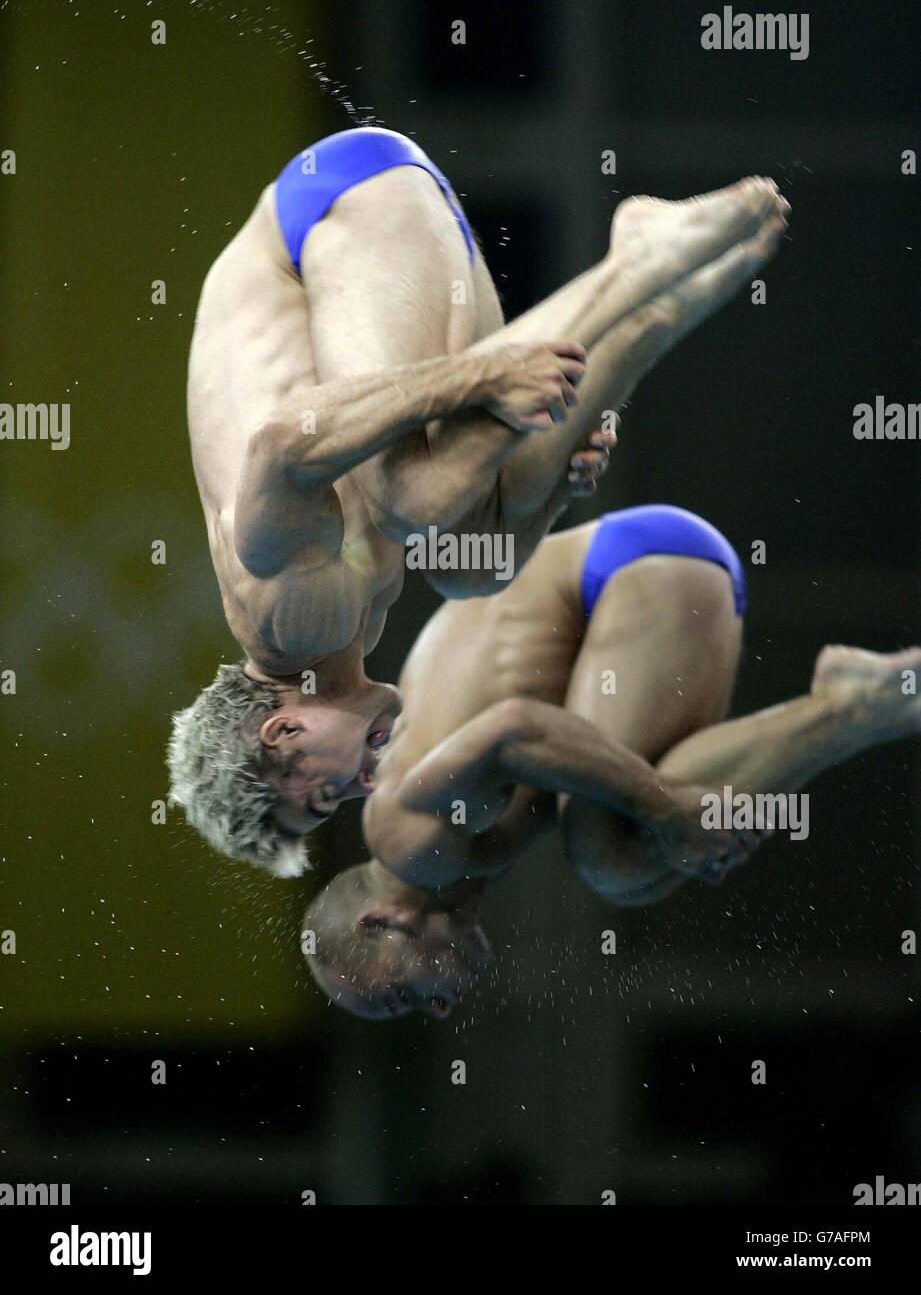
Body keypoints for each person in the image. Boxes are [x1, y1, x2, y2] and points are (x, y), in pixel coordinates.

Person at [168, 124, 788, 875]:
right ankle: (643, 322)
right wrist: (555, 479)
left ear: (283, 735)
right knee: (474, 565)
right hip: (391, 253)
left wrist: (487, 380)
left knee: (414, 499)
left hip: (337, 205)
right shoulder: (339, 632)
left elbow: (279, 443)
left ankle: (637, 262)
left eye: (327, 796)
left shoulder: (284, 620)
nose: (364, 786)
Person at [303, 506, 921, 1019]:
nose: (439, 1007)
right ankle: (864, 707)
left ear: (380, 922)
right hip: (646, 569)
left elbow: (515, 725)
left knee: (611, 853)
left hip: (631, 571)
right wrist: (677, 819)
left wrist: (673, 809)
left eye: (406, 994)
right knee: (632, 862)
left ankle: (856, 705)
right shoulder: (450, 861)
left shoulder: (404, 842)